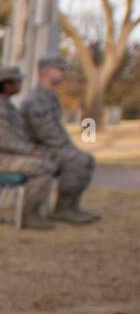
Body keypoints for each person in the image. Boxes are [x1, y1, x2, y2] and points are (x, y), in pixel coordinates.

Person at [0, 65, 56, 231]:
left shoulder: (6, 106)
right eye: (18, 80)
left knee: (48, 159)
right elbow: (5, 141)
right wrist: (32, 152)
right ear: (6, 84)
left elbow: (17, 138)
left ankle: (36, 211)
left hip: (0, 157)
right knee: (42, 167)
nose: (20, 83)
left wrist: (36, 148)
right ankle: (29, 215)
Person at [21, 55, 99, 224]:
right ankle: (64, 209)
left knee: (85, 159)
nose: (64, 73)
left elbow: (57, 130)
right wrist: (69, 150)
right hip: (38, 149)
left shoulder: (50, 96)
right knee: (78, 159)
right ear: (47, 72)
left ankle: (70, 206)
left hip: (51, 147)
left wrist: (70, 147)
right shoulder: (36, 99)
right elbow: (46, 132)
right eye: (60, 69)